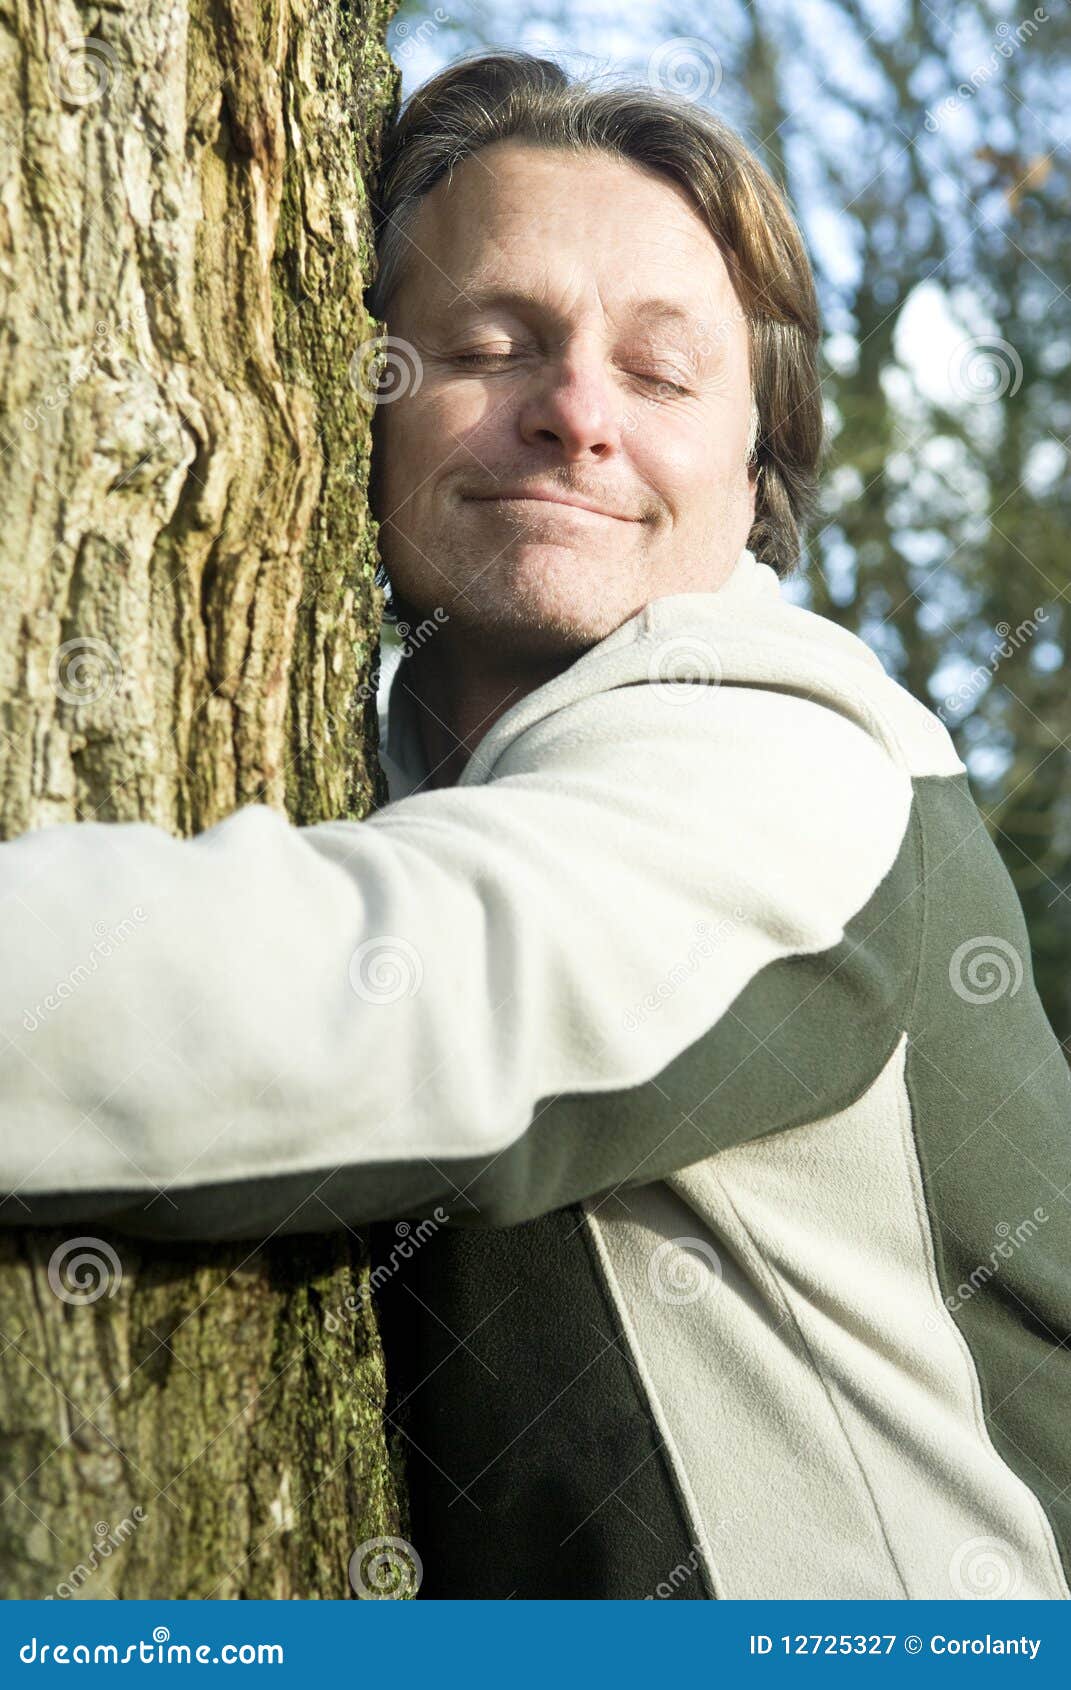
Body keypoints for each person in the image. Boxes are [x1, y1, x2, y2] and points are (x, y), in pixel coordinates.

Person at [1, 51, 1068, 1602]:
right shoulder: (390, 773)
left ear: (753, 466)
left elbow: (354, 1003)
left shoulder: (796, 757)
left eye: (661, 372)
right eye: (495, 343)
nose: (574, 413)